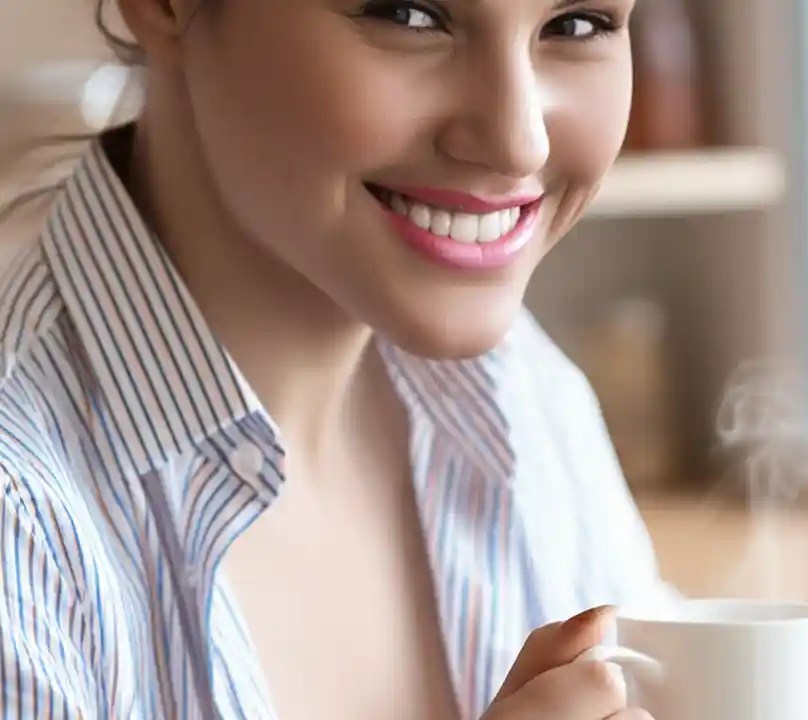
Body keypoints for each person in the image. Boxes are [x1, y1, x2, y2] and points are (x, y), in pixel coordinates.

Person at [0, 0, 669, 717]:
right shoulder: (21, 524)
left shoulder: (524, 396)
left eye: (576, 25)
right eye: (409, 15)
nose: (517, 142)